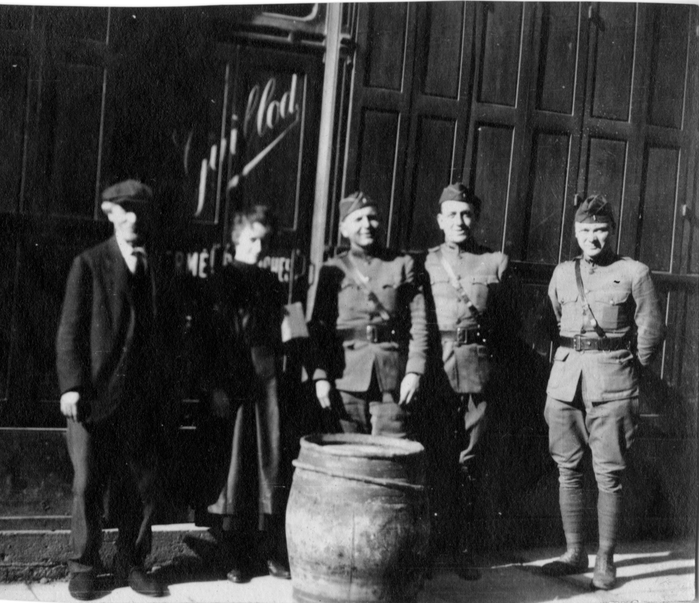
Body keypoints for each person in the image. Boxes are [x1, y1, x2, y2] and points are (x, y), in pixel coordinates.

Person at [541, 194, 665, 590]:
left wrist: (629, 366)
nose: (592, 238)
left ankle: (605, 561)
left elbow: (651, 330)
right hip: (564, 385)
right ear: (575, 233)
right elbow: (553, 320)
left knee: (609, 474)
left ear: (611, 232)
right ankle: (574, 552)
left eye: (600, 230)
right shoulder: (562, 272)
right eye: (585, 230)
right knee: (567, 470)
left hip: (612, 384)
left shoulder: (634, 272)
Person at [56, 180, 170, 600]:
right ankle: (84, 566)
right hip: (94, 397)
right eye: (127, 210)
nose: (135, 219)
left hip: (140, 398)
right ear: (112, 214)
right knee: (88, 483)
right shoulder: (89, 264)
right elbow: (69, 332)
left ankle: (133, 564)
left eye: (141, 211)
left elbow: (166, 334)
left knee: (141, 485)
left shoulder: (156, 267)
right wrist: (71, 386)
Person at [192, 205, 291, 584]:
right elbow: (203, 341)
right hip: (231, 379)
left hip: (266, 382)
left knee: (267, 463)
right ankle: (231, 552)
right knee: (233, 467)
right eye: (252, 239)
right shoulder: (218, 281)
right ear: (236, 240)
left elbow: (287, 324)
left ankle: (265, 551)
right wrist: (212, 386)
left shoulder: (272, 283)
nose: (260, 248)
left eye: (265, 241)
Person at [422, 182, 513, 580]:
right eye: (452, 214)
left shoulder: (495, 263)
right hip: (436, 374)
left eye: (466, 214)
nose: (460, 221)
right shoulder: (424, 263)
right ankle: (425, 547)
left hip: (479, 372)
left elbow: (510, 327)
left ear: (474, 219)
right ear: (440, 220)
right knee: (434, 459)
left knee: (470, 463)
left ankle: (462, 547)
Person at [309, 191, 427, 437]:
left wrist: (414, 372)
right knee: (347, 455)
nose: (367, 225)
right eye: (358, 219)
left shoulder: (402, 264)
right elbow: (319, 328)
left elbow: (419, 324)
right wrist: (320, 376)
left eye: (372, 218)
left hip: (392, 378)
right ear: (344, 228)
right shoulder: (332, 270)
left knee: (392, 454)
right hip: (346, 379)